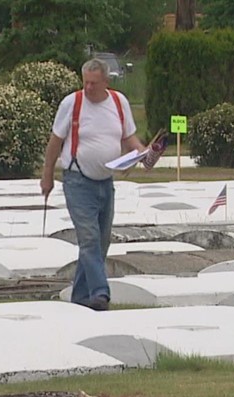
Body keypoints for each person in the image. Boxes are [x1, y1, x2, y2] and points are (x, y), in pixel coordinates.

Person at [41, 58, 147, 311]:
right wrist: (47, 176)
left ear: (106, 82)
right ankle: (101, 293)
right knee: (88, 239)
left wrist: (143, 153)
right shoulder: (72, 103)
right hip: (77, 181)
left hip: (105, 182)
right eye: (85, 82)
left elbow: (128, 135)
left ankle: (79, 299)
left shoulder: (119, 102)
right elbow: (55, 142)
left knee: (100, 243)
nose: (88, 88)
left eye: (94, 83)